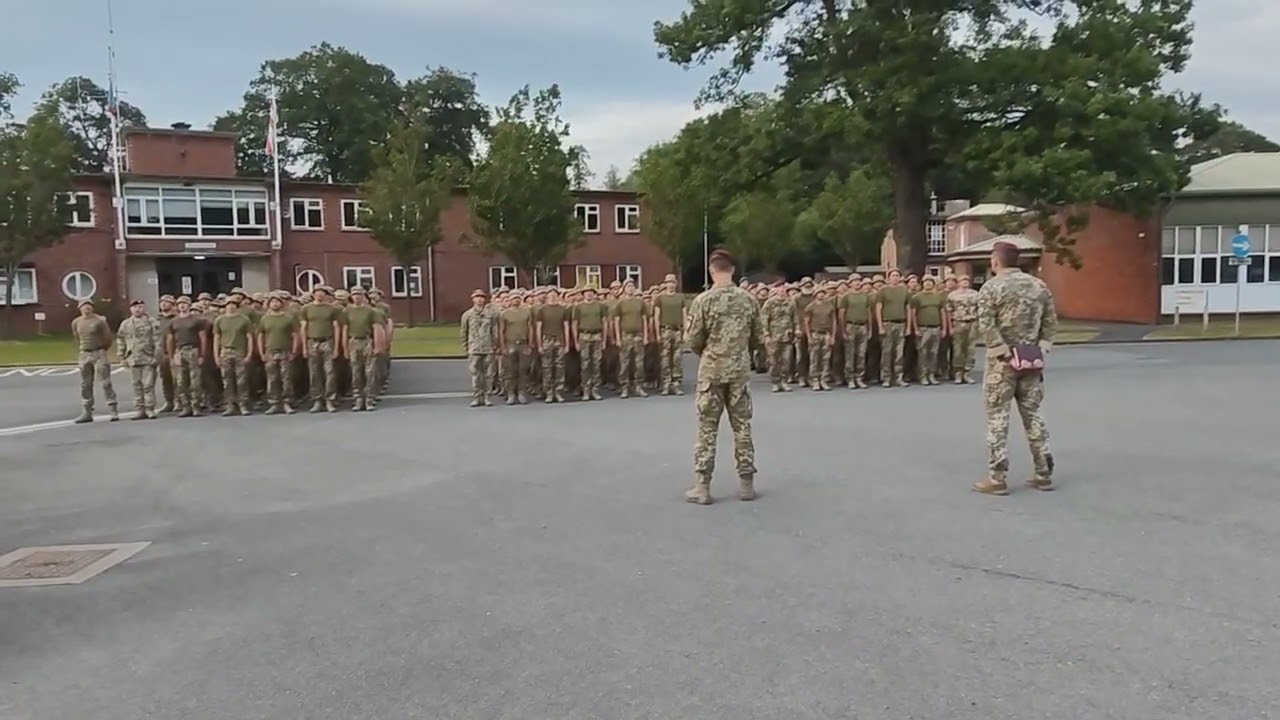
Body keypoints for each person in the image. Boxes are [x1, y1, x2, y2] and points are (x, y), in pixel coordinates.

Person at [974, 241, 1058, 496]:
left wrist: (1002, 352)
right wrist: (1041, 347)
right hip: (1031, 360)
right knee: (1033, 415)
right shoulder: (1038, 285)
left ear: (996, 260)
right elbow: (1050, 321)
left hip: (1003, 364)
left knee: (998, 418)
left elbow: (986, 325)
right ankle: (1043, 472)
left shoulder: (991, 287)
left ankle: (997, 477)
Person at [684, 249, 765, 505]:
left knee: (707, 429)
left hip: (712, 372)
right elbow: (758, 338)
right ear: (733, 270)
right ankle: (746, 485)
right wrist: (740, 352)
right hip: (739, 372)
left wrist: (709, 353)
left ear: (711, 270)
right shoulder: (749, 300)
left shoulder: (703, 301)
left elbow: (692, 339)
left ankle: (703, 487)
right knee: (742, 427)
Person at [70, 299, 119, 423]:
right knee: (85, 384)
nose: (86, 308)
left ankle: (113, 409)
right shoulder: (76, 322)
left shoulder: (99, 321)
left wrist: (102, 349)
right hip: (84, 353)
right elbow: (77, 337)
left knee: (105, 382)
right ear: (80, 308)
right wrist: (83, 350)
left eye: (89, 306)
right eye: (84, 306)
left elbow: (108, 338)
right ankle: (87, 411)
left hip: (99, 352)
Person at [116, 298, 161, 420]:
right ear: (131, 309)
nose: (138, 309)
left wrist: (156, 357)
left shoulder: (151, 322)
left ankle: (150, 409)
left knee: (148, 385)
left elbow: (158, 341)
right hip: (133, 358)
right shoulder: (126, 324)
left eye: (140, 306)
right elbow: (121, 339)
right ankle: (140, 409)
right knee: (136, 385)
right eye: (135, 307)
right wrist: (121, 355)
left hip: (147, 357)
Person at [257, 292, 300, 414]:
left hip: (285, 351)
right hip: (270, 351)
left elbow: (295, 335)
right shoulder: (265, 318)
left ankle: (287, 402)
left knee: (286, 378)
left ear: (282, 304)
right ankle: (274, 403)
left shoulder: (288, 318)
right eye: (272, 302)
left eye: (277, 301)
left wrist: (294, 350)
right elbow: (260, 335)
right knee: (272, 379)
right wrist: (262, 352)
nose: (275, 304)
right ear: (269, 304)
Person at [342, 286, 385, 411]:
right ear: (351, 297)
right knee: (356, 372)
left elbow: (377, 328)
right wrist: (344, 348)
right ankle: (358, 399)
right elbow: (345, 330)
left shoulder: (371, 311)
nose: (357, 297)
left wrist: (378, 346)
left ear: (363, 296)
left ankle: (369, 399)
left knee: (369, 372)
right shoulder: (347, 311)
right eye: (354, 295)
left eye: (359, 295)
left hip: (366, 341)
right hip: (353, 341)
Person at [301, 286, 342, 413]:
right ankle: (317, 400)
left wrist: (336, 347)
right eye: (317, 293)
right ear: (313, 294)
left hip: (327, 341)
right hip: (312, 341)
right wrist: (304, 347)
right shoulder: (306, 309)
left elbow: (336, 327)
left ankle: (330, 399)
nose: (320, 295)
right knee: (314, 372)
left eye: (322, 293)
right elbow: (303, 328)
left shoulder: (332, 309)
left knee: (329, 372)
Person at [167, 296, 208, 417]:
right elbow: (170, 339)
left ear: (189, 305)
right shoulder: (173, 321)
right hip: (179, 351)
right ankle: (185, 407)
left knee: (195, 381)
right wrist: (171, 355)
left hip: (193, 350)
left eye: (184, 303)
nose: (182, 306)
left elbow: (203, 337)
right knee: (181, 381)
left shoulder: (196, 320)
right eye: (180, 304)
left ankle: (196, 406)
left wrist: (202, 354)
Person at [213, 297, 255, 416]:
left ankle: (243, 404)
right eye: (228, 304)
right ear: (225, 306)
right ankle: (230, 405)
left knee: (241, 380)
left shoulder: (244, 320)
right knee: (227, 381)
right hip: (225, 352)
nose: (231, 306)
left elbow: (249, 337)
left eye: (233, 304)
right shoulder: (219, 320)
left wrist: (249, 353)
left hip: (239, 352)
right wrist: (216, 355)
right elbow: (216, 339)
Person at [460, 289, 498, 407]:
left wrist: (495, 345)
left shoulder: (490, 315)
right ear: (473, 299)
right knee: (476, 374)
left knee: (489, 375)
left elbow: (494, 331)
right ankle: (477, 396)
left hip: (488, 347)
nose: (480, 299)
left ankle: (487, 397)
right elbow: (464, 331)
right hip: (474, 348)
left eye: (482, 297)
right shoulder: (467, 315)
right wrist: (466, 346)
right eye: (477, 297)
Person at [611, 282, 649, 398]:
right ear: (624, 289)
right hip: (625, 335)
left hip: (638, 335)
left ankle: (638, 386)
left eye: (632, 286)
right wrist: (617, 337)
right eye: (628, 286)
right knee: (624, 362)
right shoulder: (620, 304)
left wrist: (646, 335)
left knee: (639, 363)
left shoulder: (640, 303)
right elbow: (616, 322)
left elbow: (644, 320)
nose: (630, 288)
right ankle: (624, 387)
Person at [908, 276, 947, 386]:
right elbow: (913, 314)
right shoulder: (917, 297)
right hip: (923, 328)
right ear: (922, 284)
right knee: (923, 353)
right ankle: (923, 375)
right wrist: (915, 328)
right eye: (926, 282)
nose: (928, 284)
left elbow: (943, 312)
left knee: (934, 353)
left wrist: (944, 328)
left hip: (936, 328)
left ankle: (931, 374)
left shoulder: (938, 297)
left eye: (930, 282)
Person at [653, 275, 688, 395]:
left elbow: (684, 315)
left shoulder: (680, 297)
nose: (671, 284)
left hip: (677, 330)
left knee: (677, 358)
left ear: (676, 284)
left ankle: (676, 383)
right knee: (665, 359)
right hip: (665, 330)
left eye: (672, 282)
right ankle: (666, 384)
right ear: (665, 284)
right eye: (668, 282)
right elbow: (656, 317)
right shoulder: (660, 298)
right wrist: (657, 333)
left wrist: (686, 332)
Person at [572, 287, 608, 400]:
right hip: (584, 335)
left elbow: (605, 323)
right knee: (585, 365)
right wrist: (576, 340)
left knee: (596, 364)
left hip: (597, 335)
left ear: (594, 294)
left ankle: (595, 390)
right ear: (583, 295)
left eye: (591, 293)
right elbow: (574, 324)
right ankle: (586, 390)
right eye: (586, 293)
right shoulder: (578, 307)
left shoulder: (600, 306)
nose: (589, 295)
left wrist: (604, 340)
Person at [535, 287, 571, 403]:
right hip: (547, 339)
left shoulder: (563, 309)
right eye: (550, 294)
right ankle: (549, 392)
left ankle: (558, 392)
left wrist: (566, 343)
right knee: (547, 367)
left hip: (559, 339)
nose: (553, 296)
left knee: (560, 367)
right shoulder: (542, 310)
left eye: (555, 294)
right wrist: (539, 344)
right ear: (547, 296)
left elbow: (566, 326)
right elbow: (538, 328)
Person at [875, 269, 910, 387]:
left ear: (900, 277)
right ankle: (886, 377)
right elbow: (878, 308)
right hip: (887, 323)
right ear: (888, 278)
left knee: (899, 352)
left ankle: (898, 377)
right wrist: (880, 326)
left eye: (897, 275)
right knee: (887, 352)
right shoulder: (883, 291)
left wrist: (908, 326)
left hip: (901, 323)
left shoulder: (904, 291)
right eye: (892, 276)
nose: (895, 278)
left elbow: (908, 309)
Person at [801, 286, 836, 391]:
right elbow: (806, 323)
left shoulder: (829, 306)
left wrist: (833, 336)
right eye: (819, 293)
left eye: (822, 293)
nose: (821, 295)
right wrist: (809, 337)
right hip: (815, 334)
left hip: (826, 334)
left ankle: (823, 380)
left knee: (826, 358)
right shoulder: (810, 307)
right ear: (815, 295)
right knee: (814, 358)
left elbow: (834, 321)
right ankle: (814, 379)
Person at [946, 275, 980, 383]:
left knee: (970, 349)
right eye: (963, 280)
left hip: (972, 322)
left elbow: (980, 309)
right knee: (958, 349)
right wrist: (950, 327)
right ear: (958, 282)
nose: (965, 282)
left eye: (967, 280)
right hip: (958, 323)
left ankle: (967, 372)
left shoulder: (975, 294)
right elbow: (948, 311)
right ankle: (958, 373)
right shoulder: (952, 295)